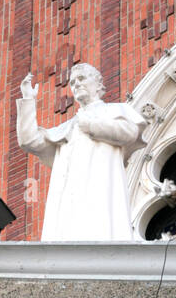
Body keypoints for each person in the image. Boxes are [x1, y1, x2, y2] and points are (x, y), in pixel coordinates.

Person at [17, 64, 147, 242]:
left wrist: (92, 126)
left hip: (100, 190)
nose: (76, 84)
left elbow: (129, 132)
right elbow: (29, 140)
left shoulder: (113, 111)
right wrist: (28, 101)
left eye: (81, 78)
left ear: (99, 84)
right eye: (72, 82)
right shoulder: (69, 127)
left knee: (101, 228)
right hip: (70, 198)